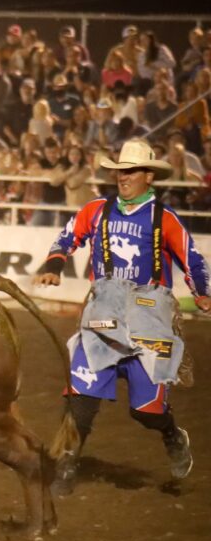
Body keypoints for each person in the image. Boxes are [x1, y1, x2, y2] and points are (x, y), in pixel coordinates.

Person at [32, 139, 211, 496]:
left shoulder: (164, 218)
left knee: (146, 411)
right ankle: (66, 463)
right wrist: (54, 264)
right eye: (118, 171)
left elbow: (193, 259)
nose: (122, 177)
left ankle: (171, 433)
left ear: (149, 176)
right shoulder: (97, 209)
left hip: (148, 318)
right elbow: (67, 238)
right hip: (102, 314)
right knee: (81, 396)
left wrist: (201, 291)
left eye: (129, 171)